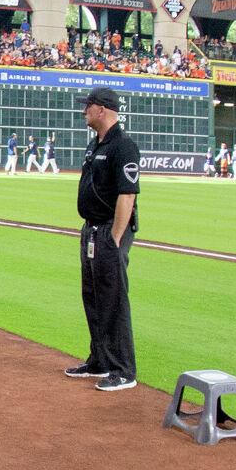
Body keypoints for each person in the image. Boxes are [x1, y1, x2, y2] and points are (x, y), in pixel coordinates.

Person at [63, 87, 139, 392]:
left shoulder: (123, 146)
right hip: (92, 228)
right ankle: (100, 360)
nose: (84, 111)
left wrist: (116, 237)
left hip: (110, 230)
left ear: (103, 109)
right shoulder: (95, 145)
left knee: (114, 299)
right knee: (93, 296)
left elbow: (128, 194)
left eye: (88, 106)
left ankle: (124, 370)